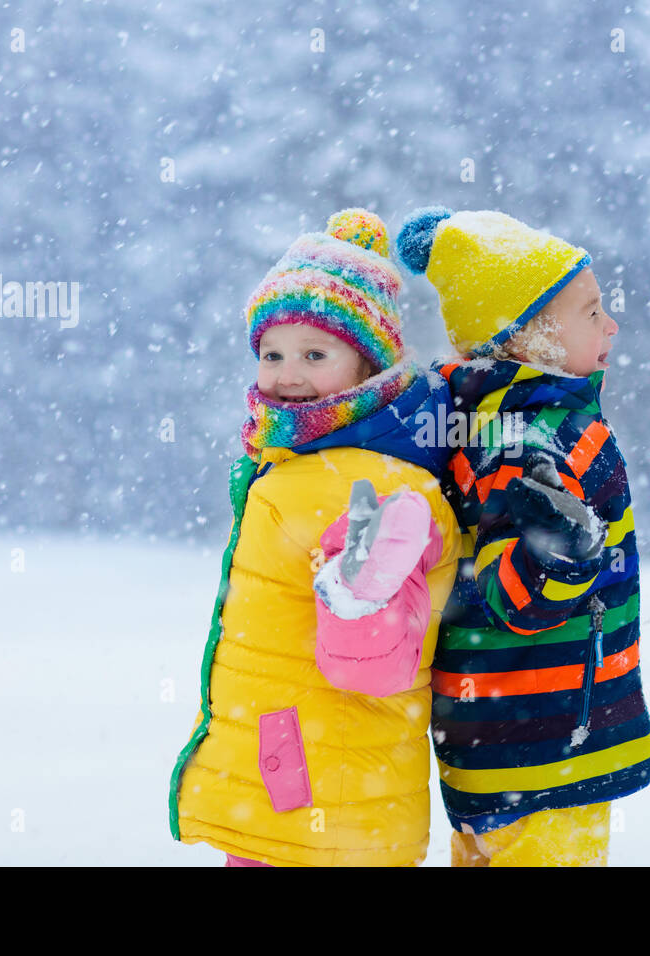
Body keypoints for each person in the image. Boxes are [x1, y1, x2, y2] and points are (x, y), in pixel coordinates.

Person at [168, 208, 462, 866]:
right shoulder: (306, 466)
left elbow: (378, 663)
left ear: (365, 368)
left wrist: (360, 592)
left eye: (314, 354)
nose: (285, 372)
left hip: (316, 789)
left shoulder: (365, 481)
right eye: (272, 353)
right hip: (297, 778)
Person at [395, 206, 650, 866]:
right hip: (540, 757)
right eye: (591, 312)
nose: (611, 325)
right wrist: (562, 553)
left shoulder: (513, 421)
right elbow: (516, 599)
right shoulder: (522, 439)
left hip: (515, 746)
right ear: (530, 337)